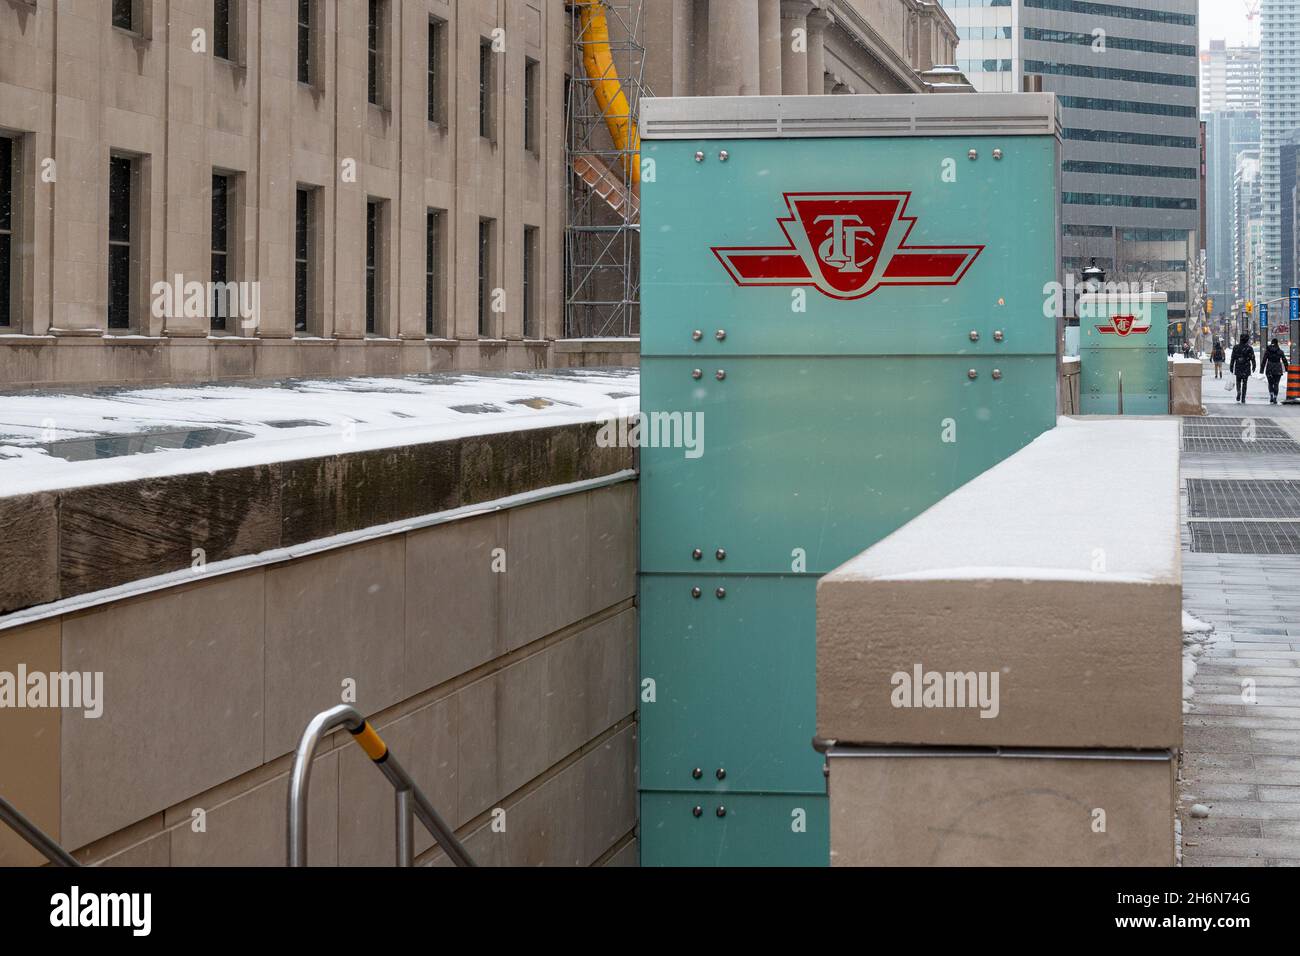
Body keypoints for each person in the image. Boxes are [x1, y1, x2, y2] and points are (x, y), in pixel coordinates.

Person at [1229, 332, 1256, 403]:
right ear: (1247, 340)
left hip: (1238, 366)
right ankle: (1243, 397)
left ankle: (1238, 391)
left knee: (1238, 381)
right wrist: (1254, 365)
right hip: (1246, 366)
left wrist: (1231, 366)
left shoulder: (1236, 347)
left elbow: (1233, 358)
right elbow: (1252, 358)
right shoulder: (1249, 348)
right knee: (1245, 382)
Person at [1263, 337, 1287, 404]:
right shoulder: (1280, 351)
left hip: (1269, 368)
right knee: (1276, 384)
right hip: (1277, 368)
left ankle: (1271, 395)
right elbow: (1284, 360)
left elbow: (1264, 360)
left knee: (1270, 383)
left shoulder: (1268, 351)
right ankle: (1275, 397)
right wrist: (1287, 368)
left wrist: (1262, 369)